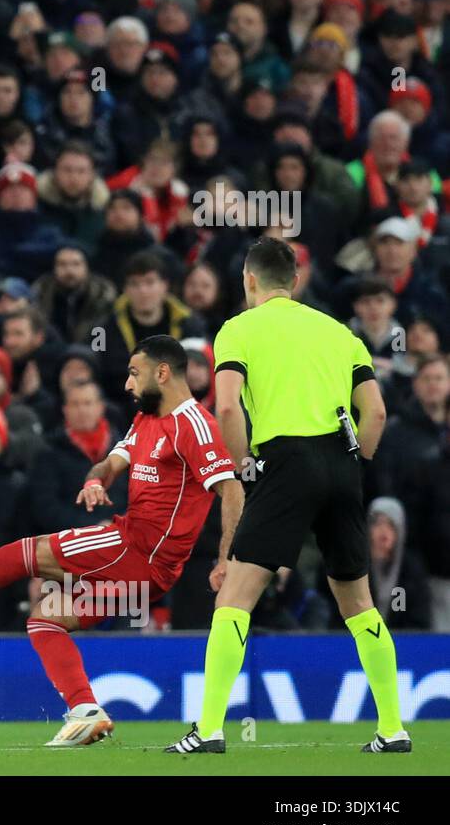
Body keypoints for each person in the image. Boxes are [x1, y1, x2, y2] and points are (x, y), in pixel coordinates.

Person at [0, 335, 243, 747]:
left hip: (137, 550)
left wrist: (225, 559)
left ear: (163, 372)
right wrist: (95, 479)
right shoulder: (147, 419)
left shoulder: (194, 425)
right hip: (142, 561)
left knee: (24, 553)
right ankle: (86, 711)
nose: (127, 384)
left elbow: (232, 489)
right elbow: (113, 462)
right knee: (46, 616)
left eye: (134, 374)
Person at [170, 236, 407, 755]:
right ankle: (392, 729)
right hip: (341, 466)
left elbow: (228, 408)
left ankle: (208, 730)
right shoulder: (337, 331)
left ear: (249, 280)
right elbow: (377, 413)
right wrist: (355, 463)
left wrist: (240, 469)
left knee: (234, 597)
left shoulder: (238, 329)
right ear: (295, 281)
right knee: (360, 605)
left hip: (283, 462)